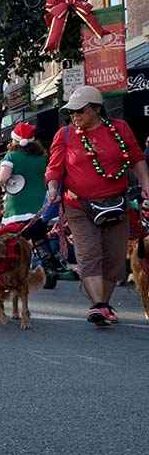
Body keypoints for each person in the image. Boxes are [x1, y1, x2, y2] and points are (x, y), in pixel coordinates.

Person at [46, 86, 149, 325]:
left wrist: (146, 184)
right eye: (71, 112)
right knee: (88, 253)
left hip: (116, 203)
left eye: (80, 111)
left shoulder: (119, 129)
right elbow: (54, 168)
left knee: (114, 259)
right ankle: (99, 305)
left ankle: (103, 304)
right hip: (78, 205)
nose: (75, 115)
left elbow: (135, 157)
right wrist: (52, 188)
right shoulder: (65, 134)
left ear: (96, 109)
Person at [0, 122, 69, 289]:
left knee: (13, 242)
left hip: (17, 208)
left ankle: (14, 275)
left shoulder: (11, 157)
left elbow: (1, 179)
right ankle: (50, 270)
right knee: (40, 240)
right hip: (39, 208)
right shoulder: (43, 158)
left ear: (15, 141)